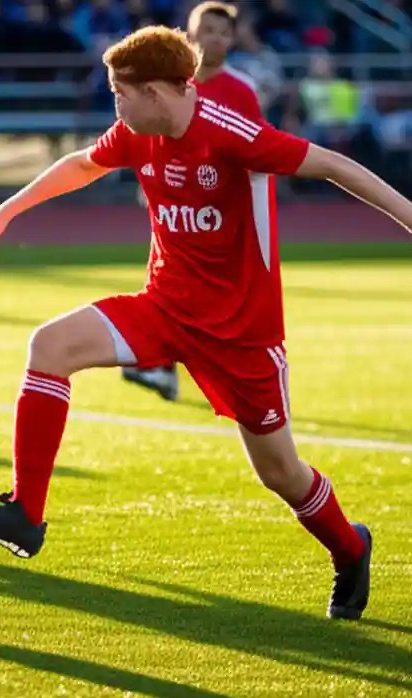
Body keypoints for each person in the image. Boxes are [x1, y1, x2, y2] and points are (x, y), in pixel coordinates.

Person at [0, 26, 412, 620]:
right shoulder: (139, 132)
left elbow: (334, 165)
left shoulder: (229, 134)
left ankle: (350, 548)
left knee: (280, 473)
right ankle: (26, 515)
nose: (115, 106)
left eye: (120, 93)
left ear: (158, 93)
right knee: (50, 345)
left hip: (242, 337)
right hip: (164, 309)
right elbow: (81, 166)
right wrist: (4, 213)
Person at [122, 2, 262, 403]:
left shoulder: (240, 91)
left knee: (212, 296)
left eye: (223, 32)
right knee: (169, 282)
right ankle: (161, 364)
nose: (214, 38)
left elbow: (257, 150)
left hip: (220, 213)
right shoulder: (172, 84)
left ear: (233, 40)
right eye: (208, 29)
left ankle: (234, 372)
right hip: (177, 205)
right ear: (189, 32)